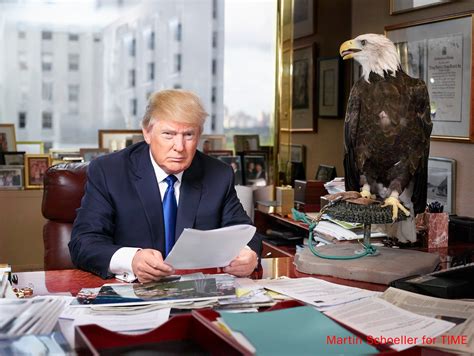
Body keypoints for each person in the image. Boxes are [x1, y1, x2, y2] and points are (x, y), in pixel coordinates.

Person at [69, 89, 261, 283]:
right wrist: (131, 259)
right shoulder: (109, 171)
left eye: (188, 135)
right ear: (147, 132)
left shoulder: (218, 175)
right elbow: (83, 243)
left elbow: (244, 232)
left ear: (199, 135)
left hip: (197, 295)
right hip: (134, 295)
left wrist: (248, 255)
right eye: (168, 134)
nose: (179, 146)